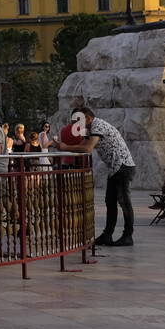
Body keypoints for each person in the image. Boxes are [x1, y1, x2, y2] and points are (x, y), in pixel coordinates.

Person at [58, 104, 137, 246]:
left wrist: (65, 147)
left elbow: (87, 148)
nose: (76, 125)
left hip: (122, 167)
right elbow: (82, 144)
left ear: (87, 118)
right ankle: (107, 235)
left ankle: (128, 235)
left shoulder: (98, 125)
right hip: (115, 168)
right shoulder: (90, 128)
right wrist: (63, 145)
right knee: (110, 202)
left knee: (124, 202)